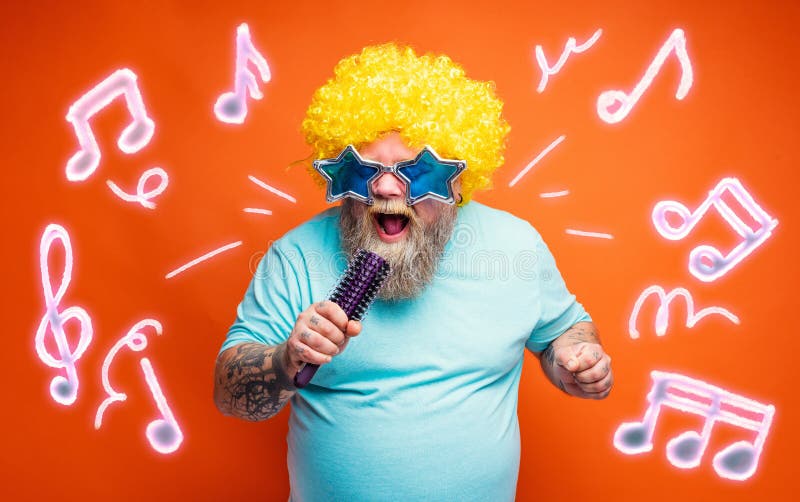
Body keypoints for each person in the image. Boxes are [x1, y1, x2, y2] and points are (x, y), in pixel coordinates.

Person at [214, 43, 613, 501]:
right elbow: (230, 395)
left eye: (414, 171)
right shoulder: (296, 255)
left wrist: (577, 359)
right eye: (366, 169)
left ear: (458, 181)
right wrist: (287, 358)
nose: (386, 186)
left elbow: (564, 331)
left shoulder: (516, 245)